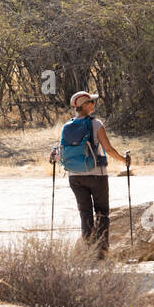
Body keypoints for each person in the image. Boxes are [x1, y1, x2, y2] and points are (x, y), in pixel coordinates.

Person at [51, 91, 129, 257]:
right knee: (102, 212)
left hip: (74, 176)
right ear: (84, 105)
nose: (94, 104)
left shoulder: (67, 126)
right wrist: (124, 160)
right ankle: (101, 251)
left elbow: (62, 151)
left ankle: (88, 252)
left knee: (85, 213)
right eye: (91, 102)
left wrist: (53, 159)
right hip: (96, 175)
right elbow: (108, 149)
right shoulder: (96, 124)